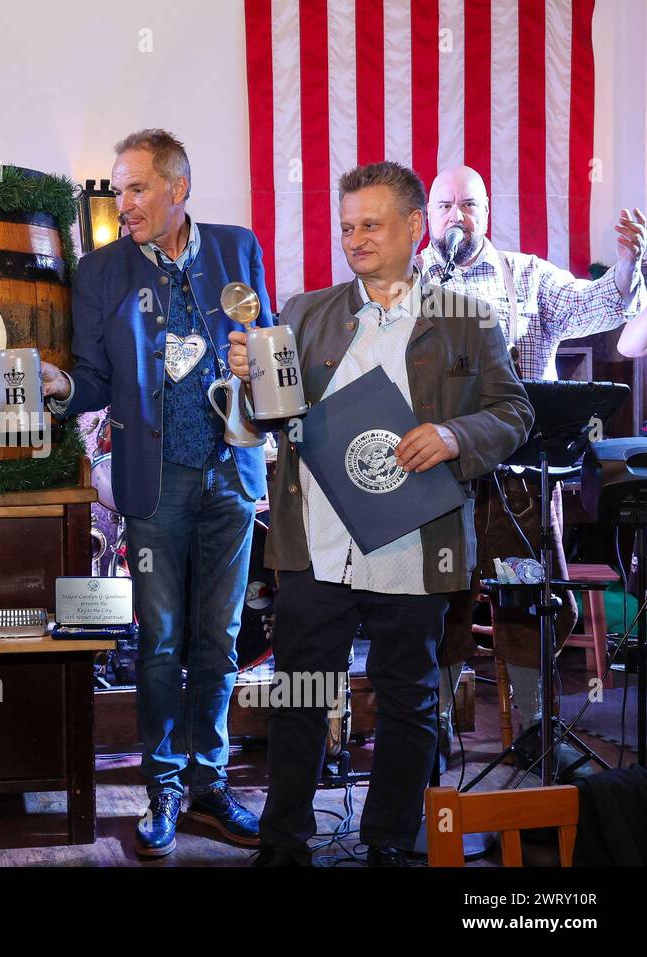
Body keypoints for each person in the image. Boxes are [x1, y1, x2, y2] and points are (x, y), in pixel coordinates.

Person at [231, 162, 533, 866]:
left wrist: (456, 436)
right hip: (318, 544)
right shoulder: (304, 312)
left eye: (370, 224)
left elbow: (514, 411)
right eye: (346, 226)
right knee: (303, 696)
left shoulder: (467, 317)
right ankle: (283, 842)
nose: (355, 239)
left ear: (413, 227)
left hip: (416, 545)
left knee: (407, 700)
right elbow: (268, 421)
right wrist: (248, 383)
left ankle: (391, 841)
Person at [40, 129, 270, 857]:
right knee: (161, 644)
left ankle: (211, 781)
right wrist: (63, 387)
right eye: (118, 188)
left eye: (137, 188)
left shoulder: (238, 248)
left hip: (232, 477)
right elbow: (97, 379)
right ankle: (164, 786)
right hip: (155, 485)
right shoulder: (100, 271)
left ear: (179, 188)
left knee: (221, 639)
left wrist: (256, 354)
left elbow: (270, 356)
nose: (124, 203)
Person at [420, 166, 646, 779]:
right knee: (436, 607)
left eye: (468, 204)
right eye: (444, 206)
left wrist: (625, 267)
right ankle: (430, 730)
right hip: (434, 482)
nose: (456, 216)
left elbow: (596, 306)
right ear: (428, 215)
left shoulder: (527, 277)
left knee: (526, 604)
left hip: (519, 482)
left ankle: (531, 734)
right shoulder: (410, 280)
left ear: (486, 211)